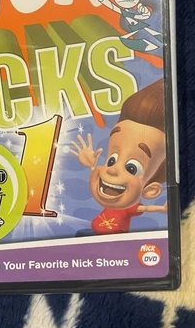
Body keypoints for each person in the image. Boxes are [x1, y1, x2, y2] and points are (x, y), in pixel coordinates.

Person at [70, 79, 167, 236]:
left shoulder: (129, 206)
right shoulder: (110, 191)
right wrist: (91, 165)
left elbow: (145, 208)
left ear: (150, 190)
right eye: (111, 160)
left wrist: (162, 208)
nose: (112, 170)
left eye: (132, 168)